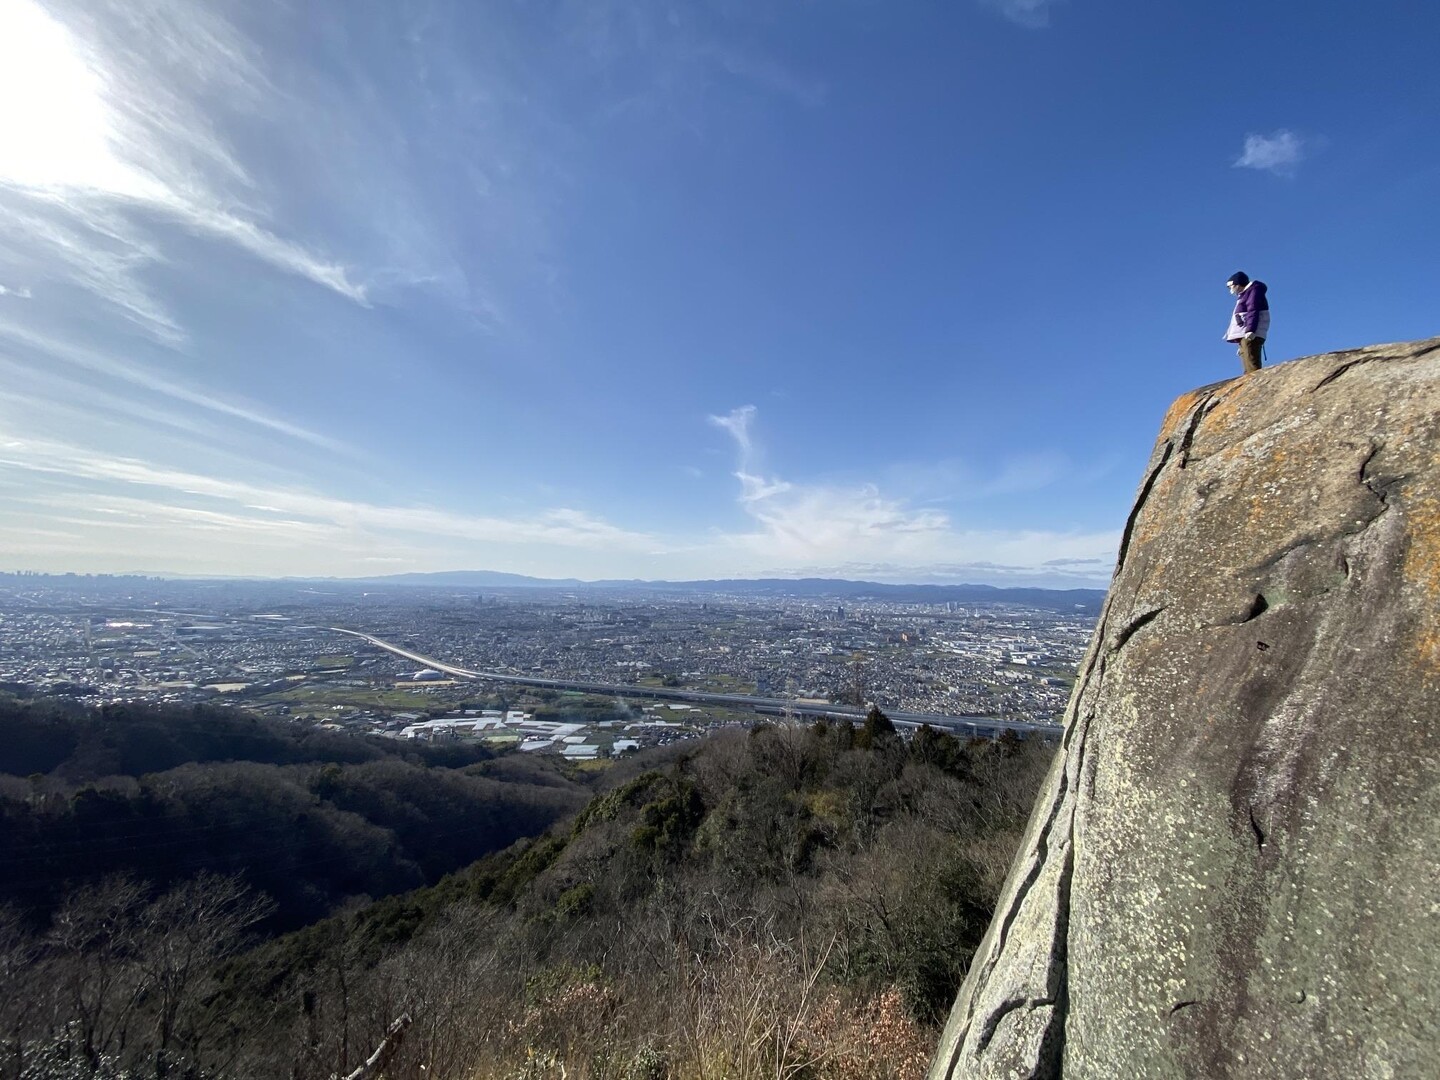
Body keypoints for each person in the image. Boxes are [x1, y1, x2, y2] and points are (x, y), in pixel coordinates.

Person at [1224, 271, 1269, 373]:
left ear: (1238, 284)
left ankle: (1256, 385)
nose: (1230, 289)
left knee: (1252, 365)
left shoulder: (1253, 291)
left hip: (1250, 333)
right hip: (1245, 333)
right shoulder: (1243, 296)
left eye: (1231, 286)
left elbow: (1253, 310)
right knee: (1247, 363)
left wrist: (1251, 330)